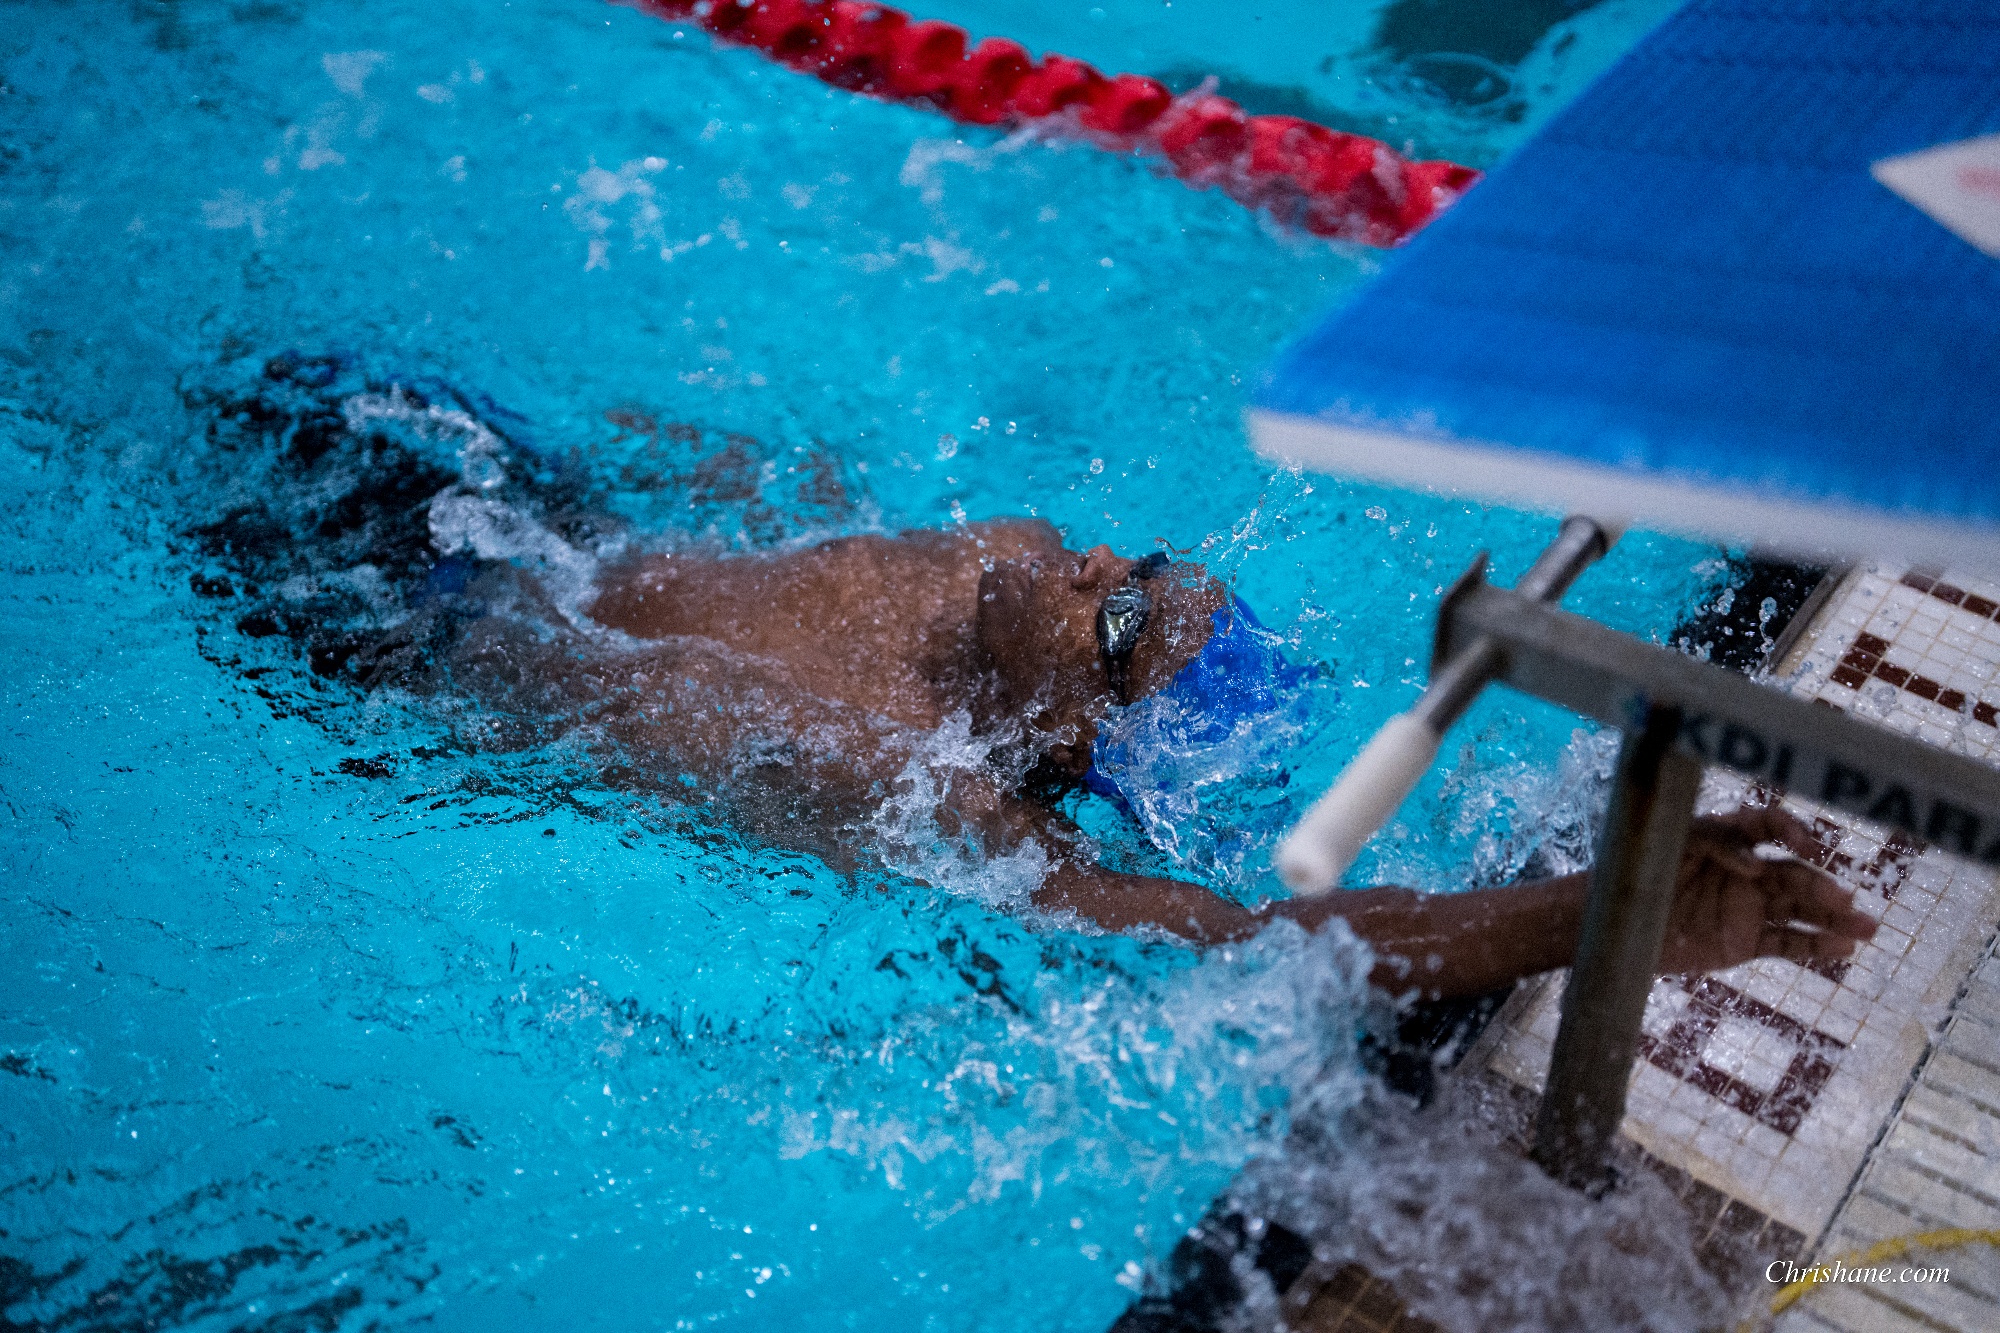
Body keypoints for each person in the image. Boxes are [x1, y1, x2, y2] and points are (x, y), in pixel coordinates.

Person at [192, 355, 1877, 1001]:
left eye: (1114, 623)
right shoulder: (1012, 551)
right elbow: (749, 490)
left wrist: (1600, 913)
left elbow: (1239, 941)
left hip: (371, 638)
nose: (1084, 563)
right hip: (512, 494)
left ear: (1074, 729)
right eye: (1127, 558)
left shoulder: (897, 766)